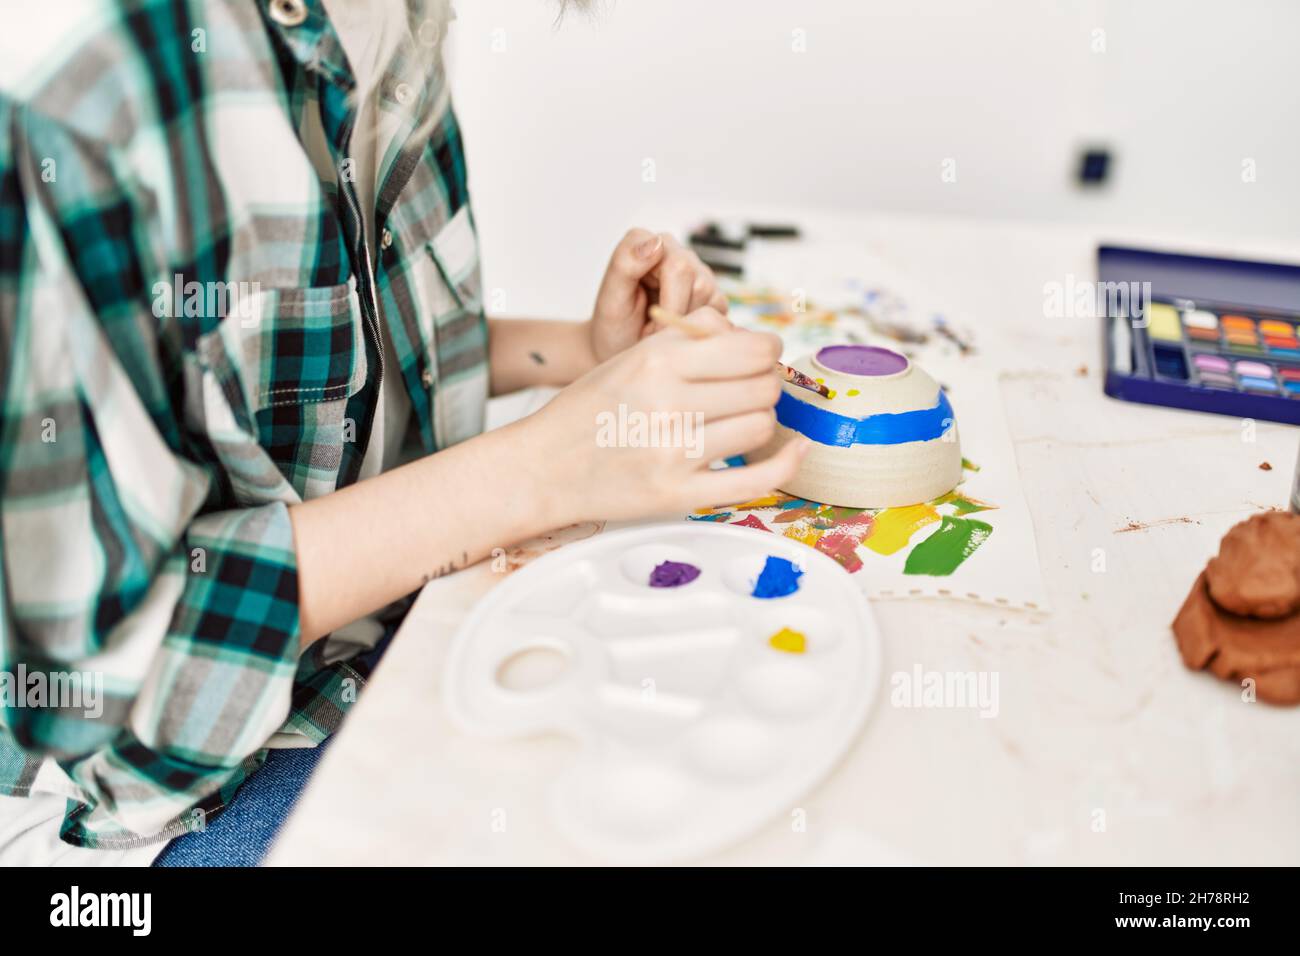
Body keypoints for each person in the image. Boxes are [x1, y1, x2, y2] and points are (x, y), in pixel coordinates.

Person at [0, 0, 807, 863]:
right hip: (158, 809)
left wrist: (577, 354)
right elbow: (111, 709)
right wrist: (545, 468)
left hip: (379, 647)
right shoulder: (74, 102)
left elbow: (334, 362)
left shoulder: (396, 21)